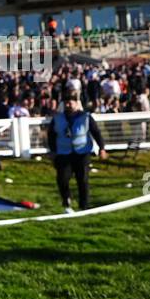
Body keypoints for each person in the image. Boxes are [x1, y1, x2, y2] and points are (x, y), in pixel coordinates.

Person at [47, 82, 108, 213]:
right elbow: (51, 135)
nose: (68, 105)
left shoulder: (85, 117)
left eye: (71, 102)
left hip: (82, 152)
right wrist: (52, 151)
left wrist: (102, 148)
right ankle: (66, 199)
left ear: (76, 103)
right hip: (63, 153)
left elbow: (96, 132)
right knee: (62, 179)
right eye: (66, 102)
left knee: (83, 180)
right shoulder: (57, 118)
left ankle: (83, 205)